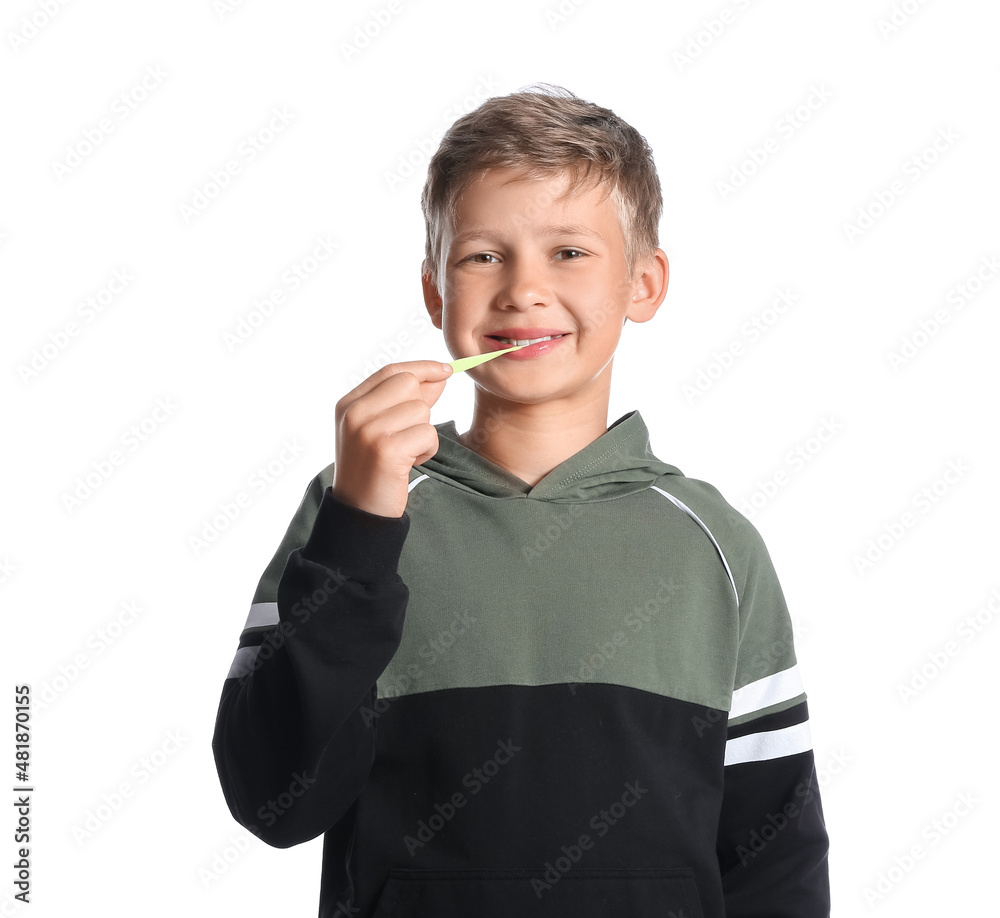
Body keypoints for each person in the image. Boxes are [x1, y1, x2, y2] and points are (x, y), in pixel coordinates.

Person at [212, 83, 830, 918]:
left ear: (644, 286)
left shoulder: (714, 543)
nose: (522, 290)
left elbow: (774, 850)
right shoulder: (356, 506)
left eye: (569, 253)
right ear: (435, 292)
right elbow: (275, 801)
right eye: (482, 256)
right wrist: (360, 527)